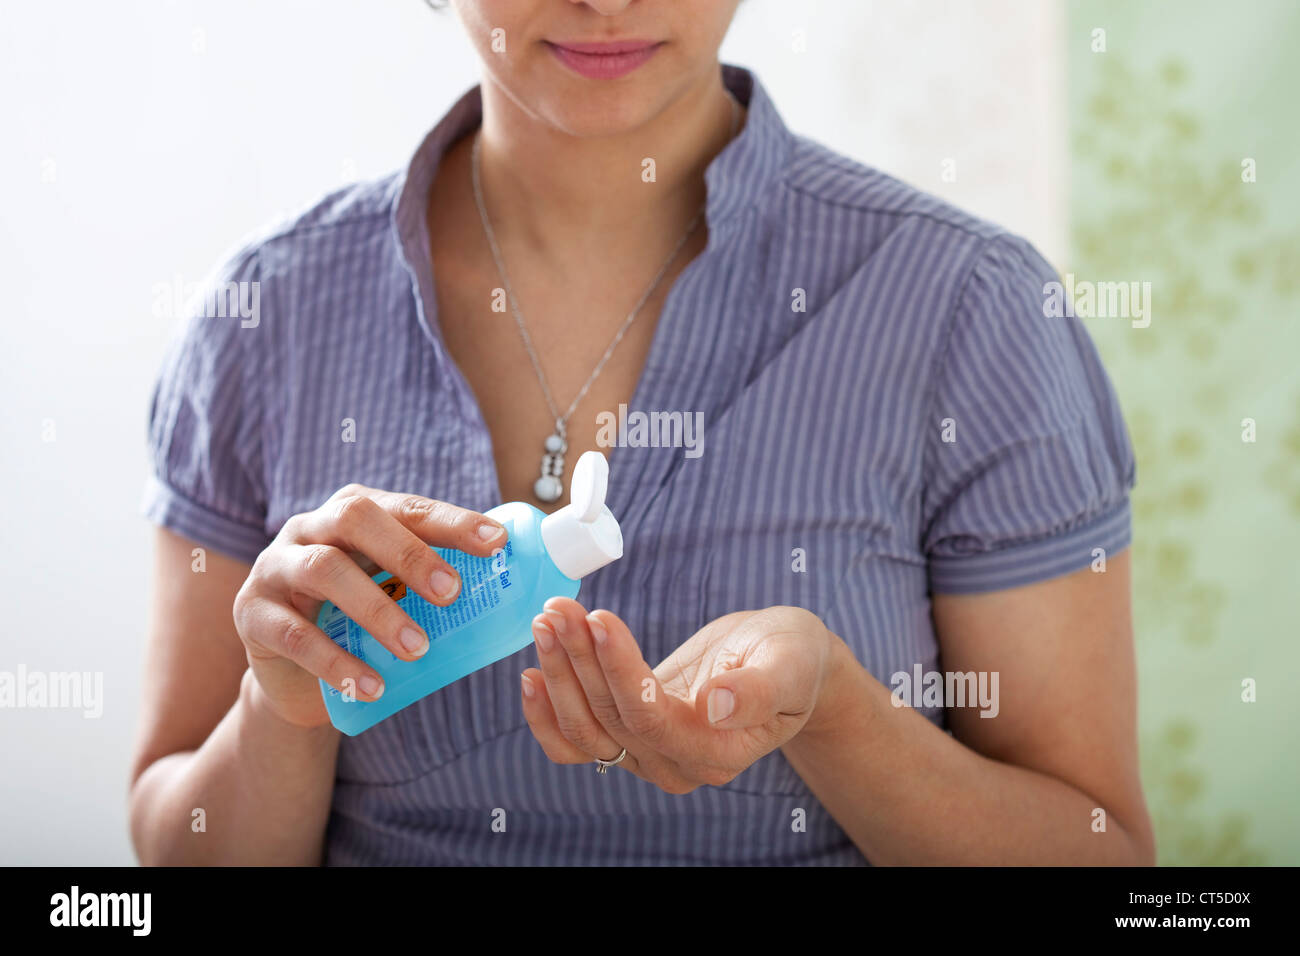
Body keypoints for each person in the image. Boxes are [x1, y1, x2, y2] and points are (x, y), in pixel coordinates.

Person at [130, 0, 1154, 865]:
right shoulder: (268, 314)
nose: (608, 0)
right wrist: (286, 705)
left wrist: (835, 712)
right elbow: (175, 844)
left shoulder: (971, 307)